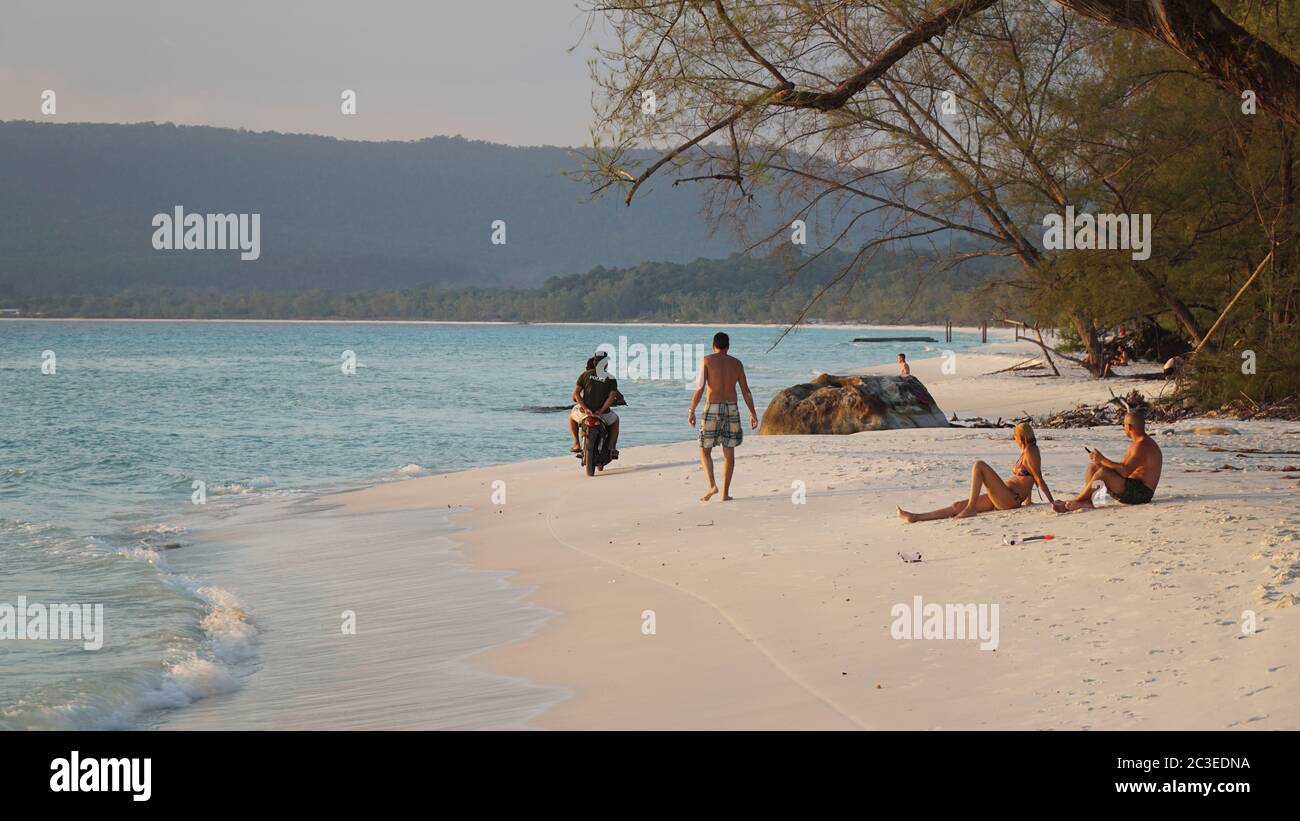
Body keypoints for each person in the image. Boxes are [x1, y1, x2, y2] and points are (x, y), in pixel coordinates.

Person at [897, 422, 1057, 523]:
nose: (1014, 440)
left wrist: (1052, 502)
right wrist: (1028, 500)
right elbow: (1027, 477)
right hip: (1004, 496)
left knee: (979, 465)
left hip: (1009, 499)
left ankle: (971, 508)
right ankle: (915, 517)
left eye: (1015, 437)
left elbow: (1037, 478)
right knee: (957, 505)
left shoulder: (1031, 452)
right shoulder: (1026, 451)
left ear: (1020, 437)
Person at [688, 332, 758, 502]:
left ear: (714, 345)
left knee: (705, 450)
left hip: (712, 407)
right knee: (729, 453)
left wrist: (692, 410)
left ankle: (712, 485)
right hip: (731, 408)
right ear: (728, 346)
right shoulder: (737, 364)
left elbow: (700, 388)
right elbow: (746, 391)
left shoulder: (707, 360)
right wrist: (753, 413)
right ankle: (725, 494)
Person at [1054, 410, 1161, 511]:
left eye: (1124, 425)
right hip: (1131, 485)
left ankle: (1077, 500)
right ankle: (1091, 501)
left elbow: (1124, 471)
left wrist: (1103, 459)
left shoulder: (1142, 445)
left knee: (1103, 472)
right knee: (1094, 467)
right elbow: (1123, 468)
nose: (1124, 428)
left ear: (1129, 427)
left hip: (1141, 494)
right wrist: (1100, 462)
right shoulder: (1138, 442)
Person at [568, 351, 619, 459]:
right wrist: (601, 410)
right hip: (602, 414)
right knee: (615, 420)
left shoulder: (585, 375)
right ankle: (611, 447)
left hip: (584, 413)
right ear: (606, 364)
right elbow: (611, 398)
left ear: (594, 362)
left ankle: (576, 443)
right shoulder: (611, 378)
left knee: (572, 416)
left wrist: (586, 408)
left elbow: (576, 394)